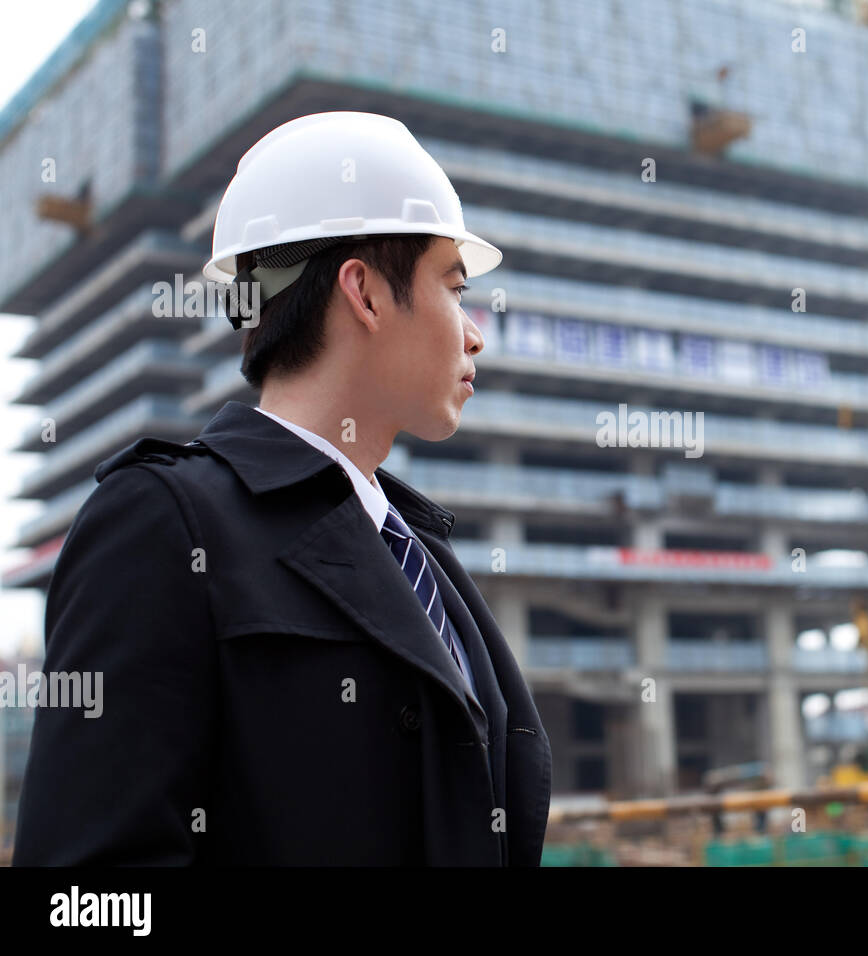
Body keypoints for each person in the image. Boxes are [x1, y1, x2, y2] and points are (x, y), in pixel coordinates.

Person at [13, 111, 551, 866]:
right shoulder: (165, 522)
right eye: (453, 289)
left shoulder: (420, 552)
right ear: (363, 292)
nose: (474, 334)